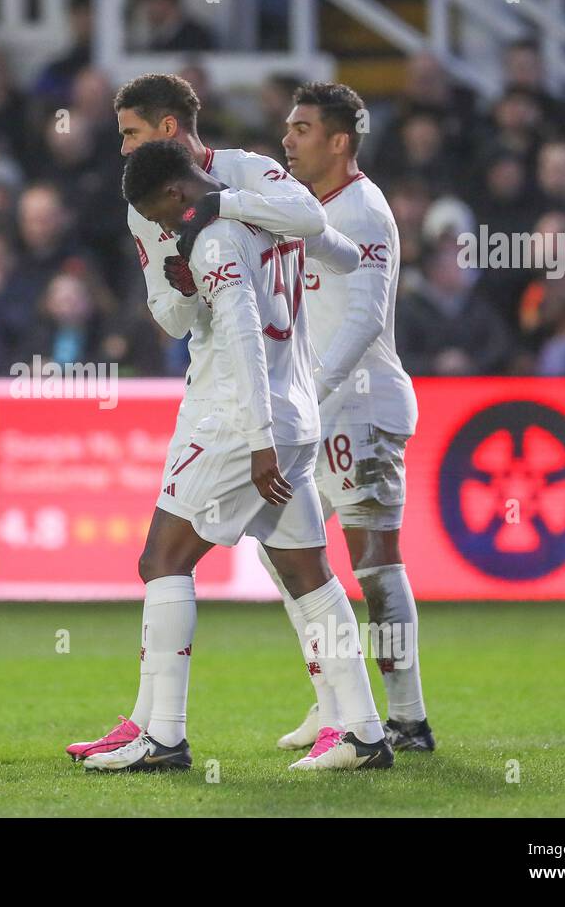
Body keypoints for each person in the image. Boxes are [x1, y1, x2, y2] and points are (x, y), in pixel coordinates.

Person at [66, 73, 363, 769]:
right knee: (310, 576)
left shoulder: (243, 179)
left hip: (238, 407)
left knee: (162, 559)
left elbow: (315, 229)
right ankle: (363, 729)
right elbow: (171, 315)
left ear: (170, 131)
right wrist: (185, 289)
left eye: (132, 134)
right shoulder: (152, 206)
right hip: (275, 405)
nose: (123, 151)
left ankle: (162, 736)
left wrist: (213, 214)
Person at [274, 82, 434, 758]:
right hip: (320, 410)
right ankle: (338, 701)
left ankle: (407, 719)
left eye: (302, 128)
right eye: (288, 126)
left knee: (374, 564)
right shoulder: (304, 207)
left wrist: (310, 388)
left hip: (362, 409)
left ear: (340, 141)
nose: (288, 138)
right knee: (287, 555)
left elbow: (366, 316)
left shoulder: (363, 210)